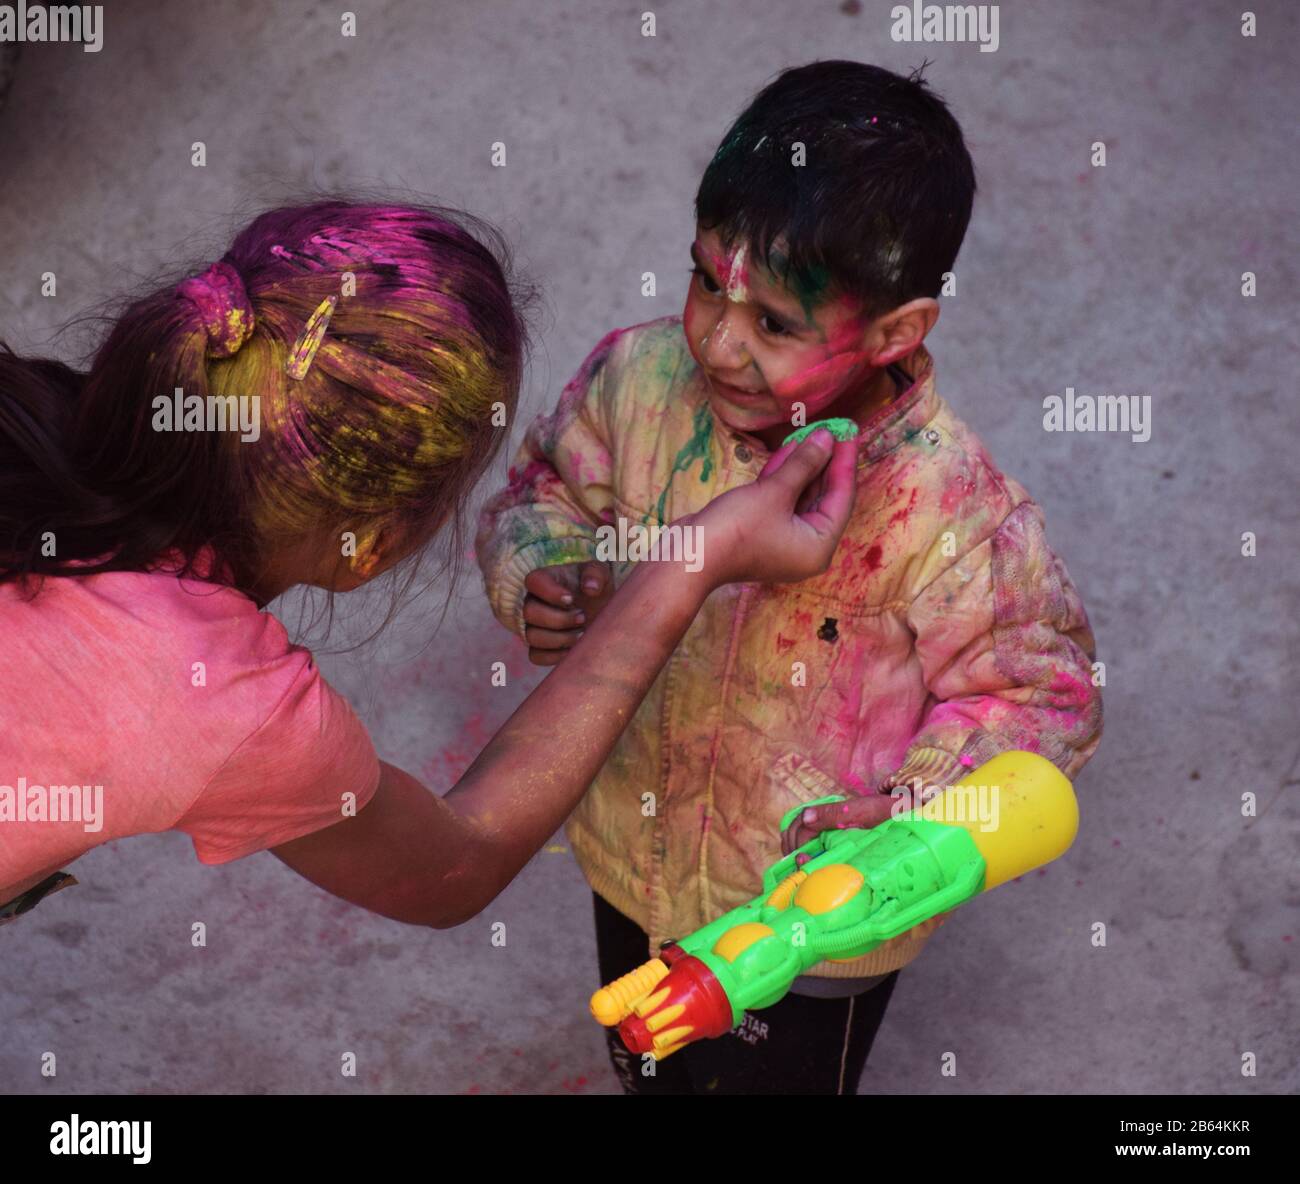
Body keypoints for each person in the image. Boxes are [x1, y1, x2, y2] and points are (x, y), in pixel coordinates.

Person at [476, 62, 1103, 1094]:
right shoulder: (635, 385)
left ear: (896, 332)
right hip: (634, 852)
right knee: (643, 1048)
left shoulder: (949, 508)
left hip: (815, 920)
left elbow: (1042, 694)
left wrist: (918, 805)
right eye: (702, 282)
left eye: (772, 322)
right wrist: (546, 572)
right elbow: (538, 489)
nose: (717, 343)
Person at [0, 199, 858, 930]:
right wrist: (691, 561)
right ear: (369, 544)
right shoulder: (213, 702)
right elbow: (457, 867)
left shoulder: (26, 412)